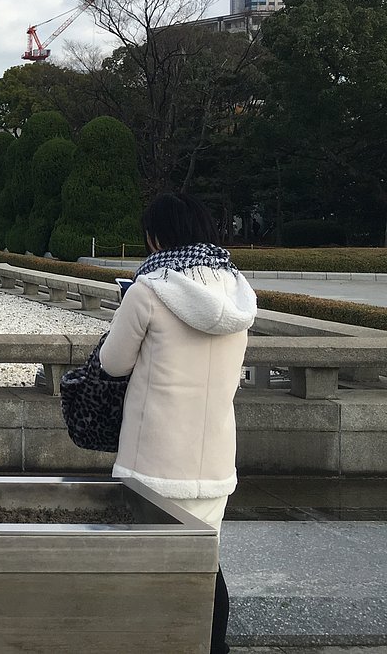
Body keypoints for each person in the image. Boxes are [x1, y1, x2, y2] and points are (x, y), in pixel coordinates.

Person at [100, 192, 257, 654]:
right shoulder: (239, 294)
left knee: (145, 571)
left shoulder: (148, 290)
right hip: (213, 463)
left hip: (154, 459)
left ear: (155, 237)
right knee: (206, 567)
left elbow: (112, 363)